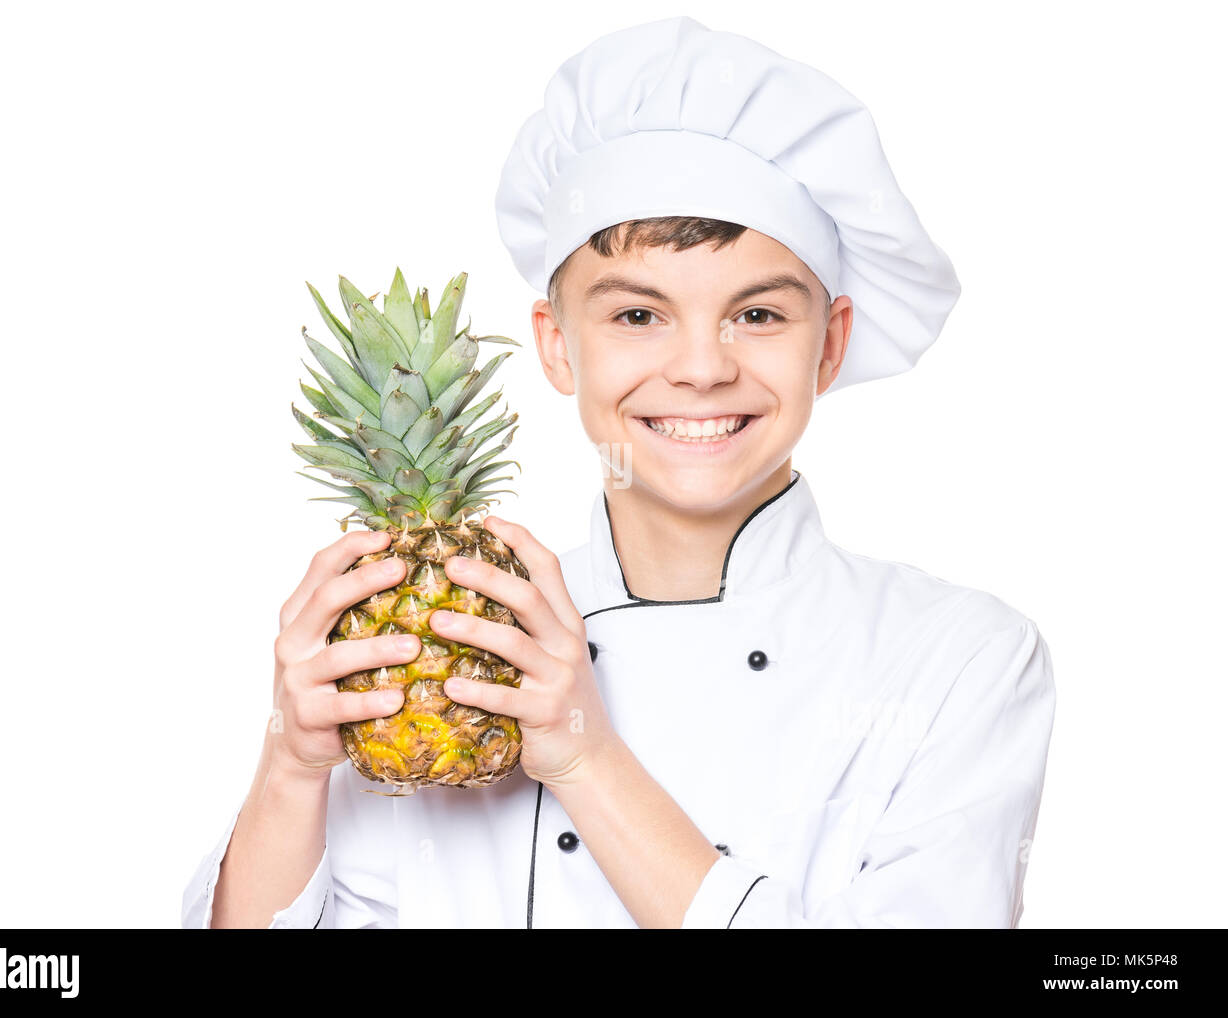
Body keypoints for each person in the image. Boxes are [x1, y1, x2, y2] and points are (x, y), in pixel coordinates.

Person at [182, 15, 1055, 929]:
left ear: (829, 345)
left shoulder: (959, 660)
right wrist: (291, 767)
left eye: (758, 315)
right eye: (638, 317)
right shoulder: (455, 645)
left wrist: (585, 759)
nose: (702, 368)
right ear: (557, 347)